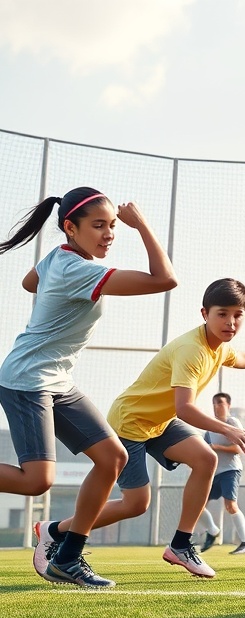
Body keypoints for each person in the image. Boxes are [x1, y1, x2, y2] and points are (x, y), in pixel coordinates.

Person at [44, 278, 245, 580]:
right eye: (222, 314)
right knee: (136, 504)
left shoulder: (218, 346)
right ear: (205, 313)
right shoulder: (192, 350)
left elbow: (239, 358)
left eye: (238, 314)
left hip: (159, 422)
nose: (230, 322)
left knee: (206, 459)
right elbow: (185, 408)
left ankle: (180, 545)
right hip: (131, 424)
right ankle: (56, 530)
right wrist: (228, 430)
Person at [0, 188, 177, 588]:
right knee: (36, 480)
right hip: (27, 381)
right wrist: (142, 225)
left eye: (114, 225)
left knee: (112, 457)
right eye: (99, 226)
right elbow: (164, 279)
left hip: (57, 379)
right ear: (70, 227)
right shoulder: (77, 270)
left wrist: (52, 289)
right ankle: (64, 552)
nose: (110, 234)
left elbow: (32, 282)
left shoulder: (60, 259)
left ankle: (67, 557)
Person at [198, 392, 245, 555]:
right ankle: (213, 531)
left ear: (228, 405)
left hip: (230, 470)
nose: (216, 406)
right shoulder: (210, 427)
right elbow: (205, 448)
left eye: (220, 403)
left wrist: (217, 447)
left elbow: (240, 448)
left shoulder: (232, 422)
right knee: (197, 505)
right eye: (214, 403)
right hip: (213, 473)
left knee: (230, 505)